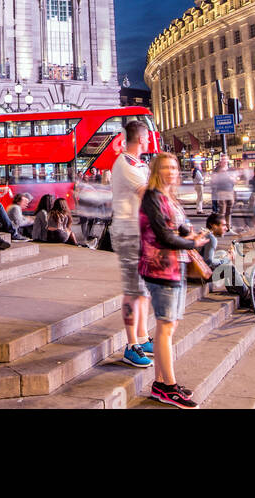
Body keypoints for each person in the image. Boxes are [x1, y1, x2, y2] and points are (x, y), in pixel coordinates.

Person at [139, 153, 198, 408]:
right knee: (165, 327)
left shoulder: (167, 196)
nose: (171, 171)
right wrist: (192, 242)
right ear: (155, 170)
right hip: (160, 267)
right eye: (165, 167)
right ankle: (169, 388)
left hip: (174, 265)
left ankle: (160, 383)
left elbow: (178, 226)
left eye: (174, 167)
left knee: (169, 327)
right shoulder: (152, 197)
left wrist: (189, 233)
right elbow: (164, 235)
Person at [110, 121, 154, 368]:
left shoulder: (138, 164)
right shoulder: (125, 164)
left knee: (143, 290)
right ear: (140, 139)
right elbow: (148, 194)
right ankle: (131, 345)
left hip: (141, 232)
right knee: (132, 290)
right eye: (147, 138)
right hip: (128, 234)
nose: (149, 142)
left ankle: (143, 336)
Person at [210, 160, 236, 232]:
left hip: (230, 191)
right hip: (221, 192)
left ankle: (228, 226)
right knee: (222, 211)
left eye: (226, 161)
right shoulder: (217, 170)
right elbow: (213, 180)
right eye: (223, 160)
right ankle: (221, 227)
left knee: (229, 211)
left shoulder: (230, 170)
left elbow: (234, 180)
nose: (225, 162)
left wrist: (229, 177)